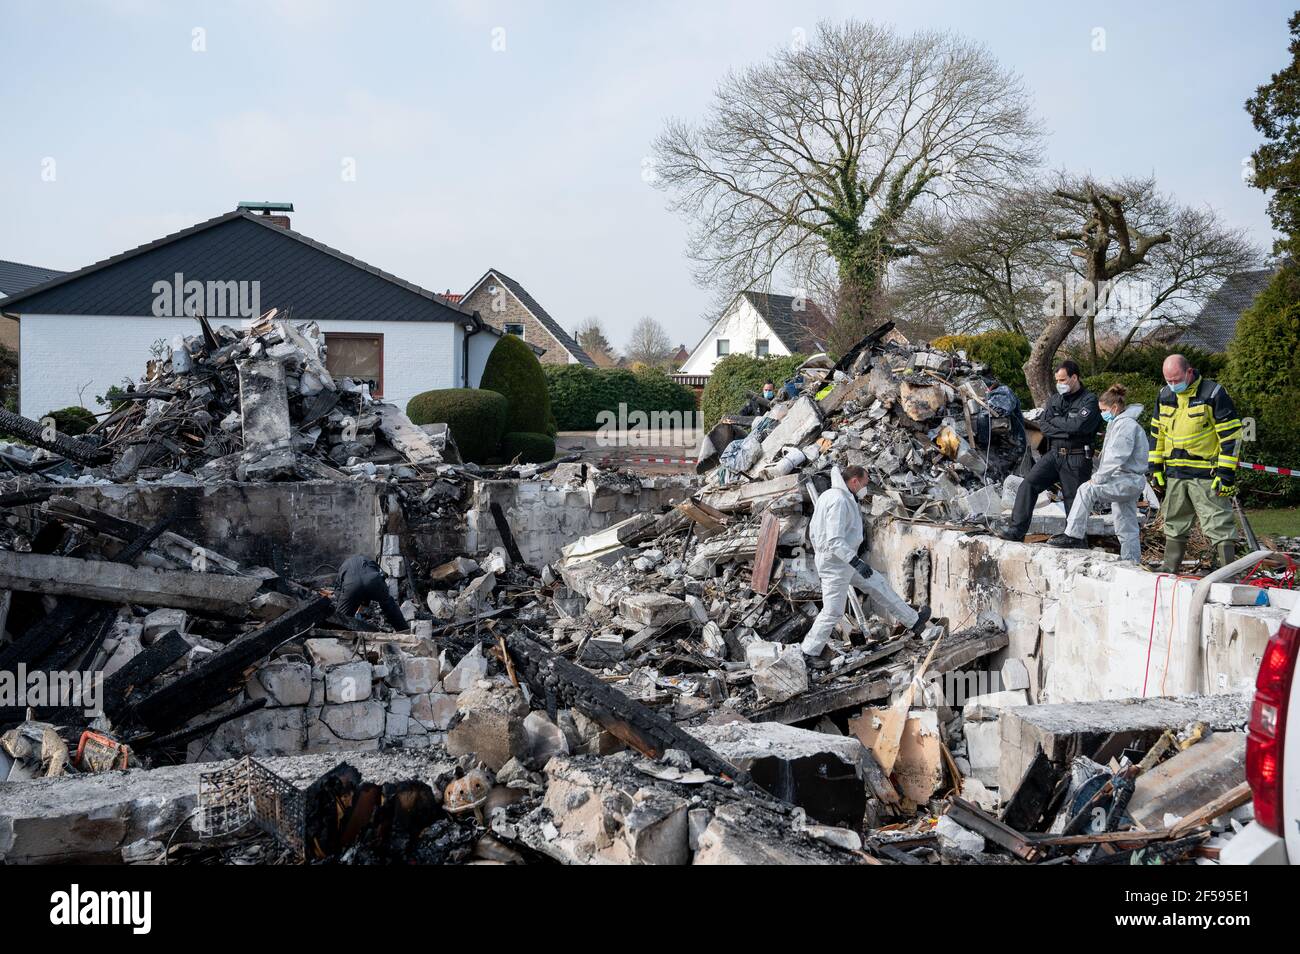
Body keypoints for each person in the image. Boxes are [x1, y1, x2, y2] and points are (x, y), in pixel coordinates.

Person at [802, 465, 930, 659]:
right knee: (833, 611)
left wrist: (851, 560)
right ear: (854, 481)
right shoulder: (838, 500)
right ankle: (809, 651)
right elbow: (834, 540)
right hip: (836, 564)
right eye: (865, 483)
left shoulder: (833, 496)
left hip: (843, 561)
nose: (866, 487)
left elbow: (816, 532)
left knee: (877, 583)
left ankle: (913, 620)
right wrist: (855, 562)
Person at [1148, 354, 1243, 571]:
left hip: (1206, 473)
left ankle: (1228, 573)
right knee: (1174, 522)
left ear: (1189, 372)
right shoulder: (1164, 395)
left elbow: (1231, 436)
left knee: (1219, 523)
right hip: (1175, 473)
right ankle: (1169, 569)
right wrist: (1155, 467)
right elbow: (1157, 434)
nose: (1173, 385)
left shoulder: (1213, 393)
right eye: (1168, 380)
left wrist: (1226, 474)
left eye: (1176, 379)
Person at [997, 360, 1101, 542]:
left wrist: (1058, 422)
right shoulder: (1055, 399)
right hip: (1054, 454)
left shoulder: (1089, 400)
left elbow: (1078, 426)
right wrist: (1067, 428)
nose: (1059, 384)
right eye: (1057, 380)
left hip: (1076, 456)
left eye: (1063, 380)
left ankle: (1075, 539)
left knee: (1073, 500)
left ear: (1074, 378)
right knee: (1028, 485)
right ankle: (1016, 531)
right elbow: (1044, 426)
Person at [1045, 384, 1147, 562]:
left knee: (1086, 490)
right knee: (1126, 523)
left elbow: (1116, 456)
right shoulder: (1122, 423)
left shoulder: (1125, 426)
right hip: (1130, 479)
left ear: (1114, 408)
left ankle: (1073, 535)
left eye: (1104, 410)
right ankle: (1132, 560)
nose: (1102, 414)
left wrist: (1098, 478)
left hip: (1127, 479)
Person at [334, 554, 410, 631]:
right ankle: (404, 630)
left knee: (341, 619)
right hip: (373, 580)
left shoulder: (343, 566)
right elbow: (382, 574)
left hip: (352, 585)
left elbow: (338, 589)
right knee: (389, 605)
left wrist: (344, 603)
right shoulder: (368, 560)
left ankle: (336, 633)